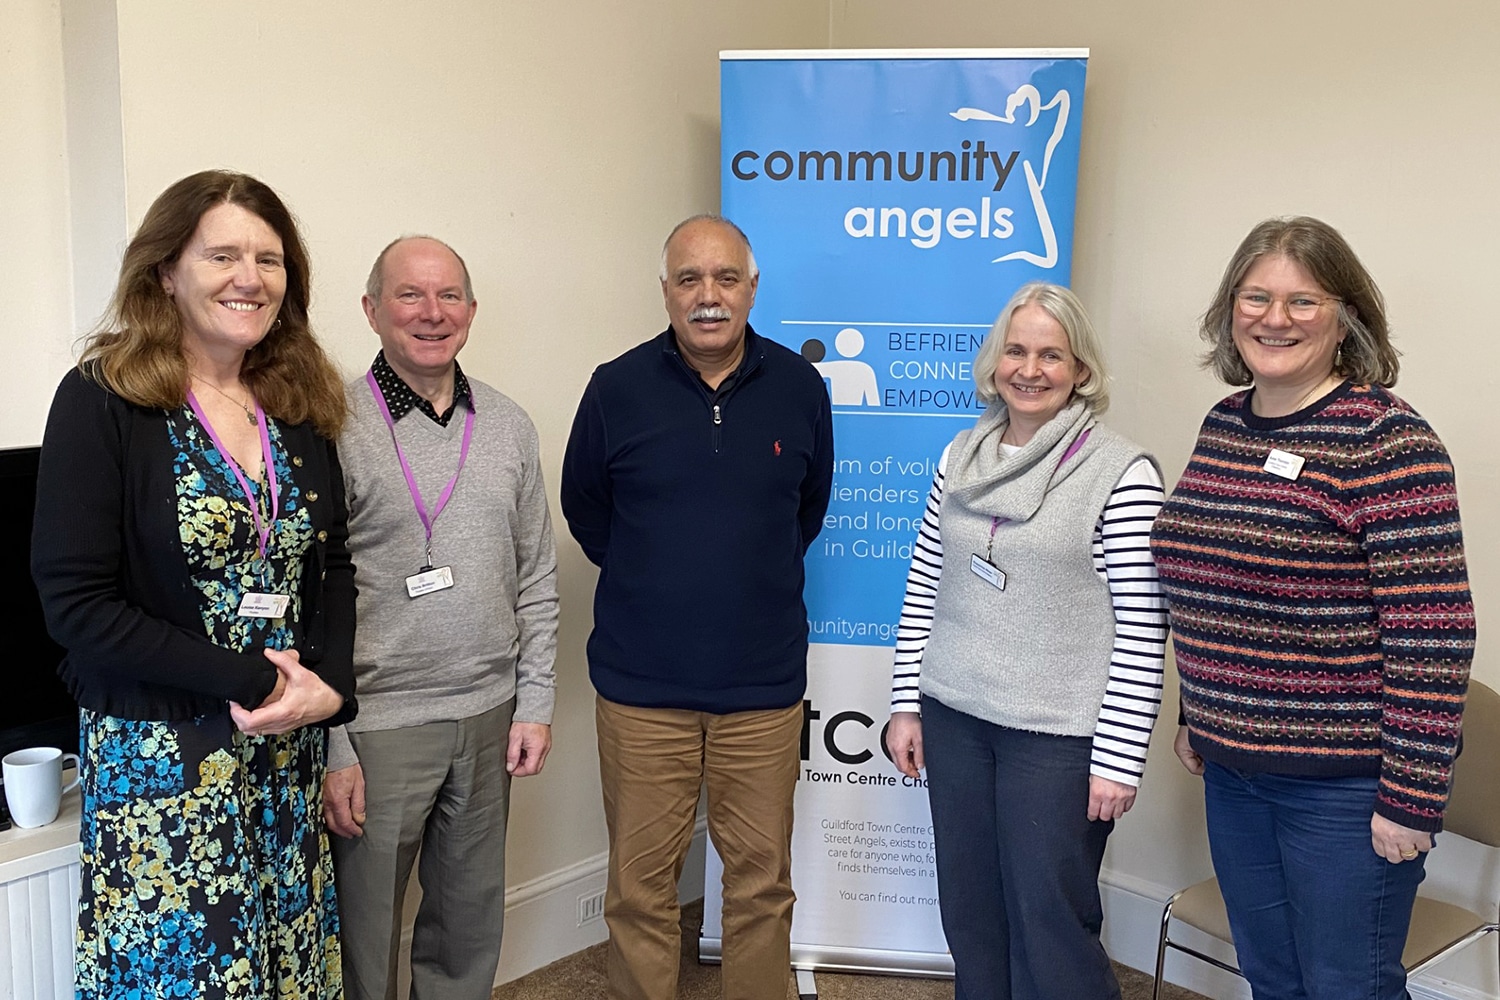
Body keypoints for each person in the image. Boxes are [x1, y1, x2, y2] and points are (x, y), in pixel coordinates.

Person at [31, 170, 355, 999]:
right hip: (164, 757)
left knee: (288, 969)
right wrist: (259, 680)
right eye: (222, 254)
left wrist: (332, 692)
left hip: (283, 752)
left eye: (270, 259)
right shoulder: (104, 399)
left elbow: (336, 569)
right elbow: (78, 606)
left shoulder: (295, 400)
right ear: (166, 270)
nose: (249, 277)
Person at [1150, 217, 1475, 999]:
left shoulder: (1388, 440)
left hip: (1346, 787)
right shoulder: (1225, 423)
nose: (1275, 318)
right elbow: (1210, 577)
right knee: (1269, 976)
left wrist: (1411, 798)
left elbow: (1434, 635)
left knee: (1346, 985)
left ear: (1347, 316)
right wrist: (1198, 712)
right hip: (1235, 772)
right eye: (1255, 297)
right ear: (1230, 311)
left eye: (1303, 301)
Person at [560, 214, 833, 1000]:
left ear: (751, 288)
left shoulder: (800, 387)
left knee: (759, 887)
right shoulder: (615, 387)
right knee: (640, 892)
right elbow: (588, 511)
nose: (707, 297)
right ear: (666, 291)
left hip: (762, 690)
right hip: (643, 691)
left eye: (724, 279)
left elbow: (803, 511)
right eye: (689, 279)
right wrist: (659, 575)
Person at [886, 282, 1167, 1000]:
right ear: (994, 361)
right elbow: (927, 582)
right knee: (972, 914)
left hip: (1056, 739)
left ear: (1081, 370)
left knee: (1050, 924)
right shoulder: (962, 453)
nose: (1030, 369)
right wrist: (905, 705)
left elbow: (1142, 625)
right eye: (1016, 350)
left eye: (1051, 354)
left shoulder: (1122, 474)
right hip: (955, 717)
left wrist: (1119, 762)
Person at [322, 235, 559, 1000]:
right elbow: (300, 600)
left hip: (491, 717)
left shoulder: (511, 425)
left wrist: (536, 702)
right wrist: (334, 748)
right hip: (379, 726)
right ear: (371, 310)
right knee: (362, 936)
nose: (432, 314)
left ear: (471, 311)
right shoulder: (327, 425)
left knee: (466, 929)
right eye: (410, 295)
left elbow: (537, 577)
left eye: (449, 295)